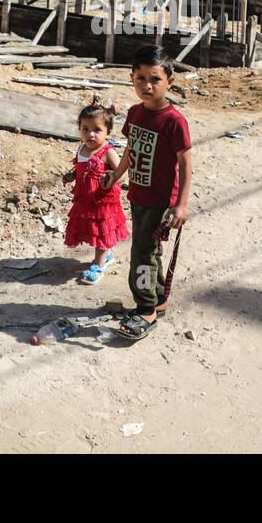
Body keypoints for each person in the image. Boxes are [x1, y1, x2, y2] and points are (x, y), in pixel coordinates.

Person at [101, 46, 192, 342]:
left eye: (154, 79)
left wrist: (181, 205)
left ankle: (145, 310)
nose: (147, 85)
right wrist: (115, 176)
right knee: (149, 251)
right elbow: (130, 150)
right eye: (140, 78)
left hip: (160, 201)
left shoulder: (174, 121)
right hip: (138, 196)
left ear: (170, 81)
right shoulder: (135, 113)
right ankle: (157, 298)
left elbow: (185, 163)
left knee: (141, 253)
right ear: (131, 78)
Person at [61, 99, 129, 284]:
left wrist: (112, 177)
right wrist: (71, 176)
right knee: (92, 230)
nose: (90, 134)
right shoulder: (82, 149)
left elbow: (122, 173)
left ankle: (99, 265)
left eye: (97, 130)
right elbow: (80, 168)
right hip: (85, 198)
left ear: (107, 131)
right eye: (85, 129)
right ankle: (106, 255)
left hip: (102, 200)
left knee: (101, 232)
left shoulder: (108, 152)